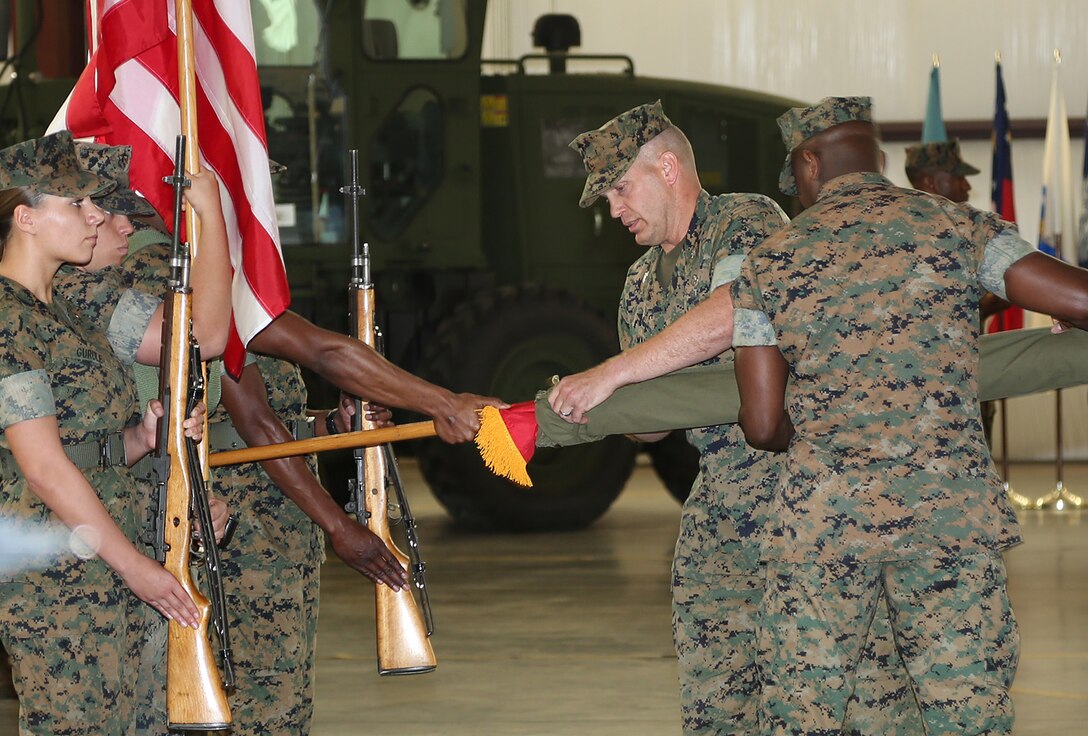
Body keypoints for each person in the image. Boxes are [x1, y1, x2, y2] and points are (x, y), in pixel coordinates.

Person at [62, 142, 503, 734]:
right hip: (227, 511)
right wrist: (441, 406)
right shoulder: (184, 279)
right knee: (257, 696)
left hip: (226, 504)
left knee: (257, 691)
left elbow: (272, 411)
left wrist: (330, 427)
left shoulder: (208, 275)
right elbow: (276, 397)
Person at [553, 101, 921, 735]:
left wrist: (614, 371)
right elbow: (655, 424)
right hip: (719, 504)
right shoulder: (641, 282)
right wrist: (592, 406)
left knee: (842, 695)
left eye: (620, 188)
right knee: (716, 699)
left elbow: (732, 313)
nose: (614, 210)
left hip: (797, 495)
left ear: (667, 168)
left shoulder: (745, 221)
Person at [730, 96, 1088, 734]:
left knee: (804, 708)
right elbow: (1077, 295)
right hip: (949, 516)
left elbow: (760, 425)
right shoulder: (957, 226)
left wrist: (809, 435)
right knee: (968, 708)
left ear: (811, 163)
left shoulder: (769, 259)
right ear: (879, 157)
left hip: (824, 521)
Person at [0, 132, 210, 735]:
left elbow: (90, 444)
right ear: (27, 219)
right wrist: (134, 568)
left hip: (113, 549)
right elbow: (42, 466)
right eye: (76, 205)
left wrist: (146, 435)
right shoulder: (9, 316)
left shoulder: (59, 309)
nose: (96, 216)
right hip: (61, 574)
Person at [905, 139, 1010, 445]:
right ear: (929, 181)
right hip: (926, 379)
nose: (966, 186)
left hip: (968, 371)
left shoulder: (965, 229)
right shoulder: (904, 233)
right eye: (957, 177)